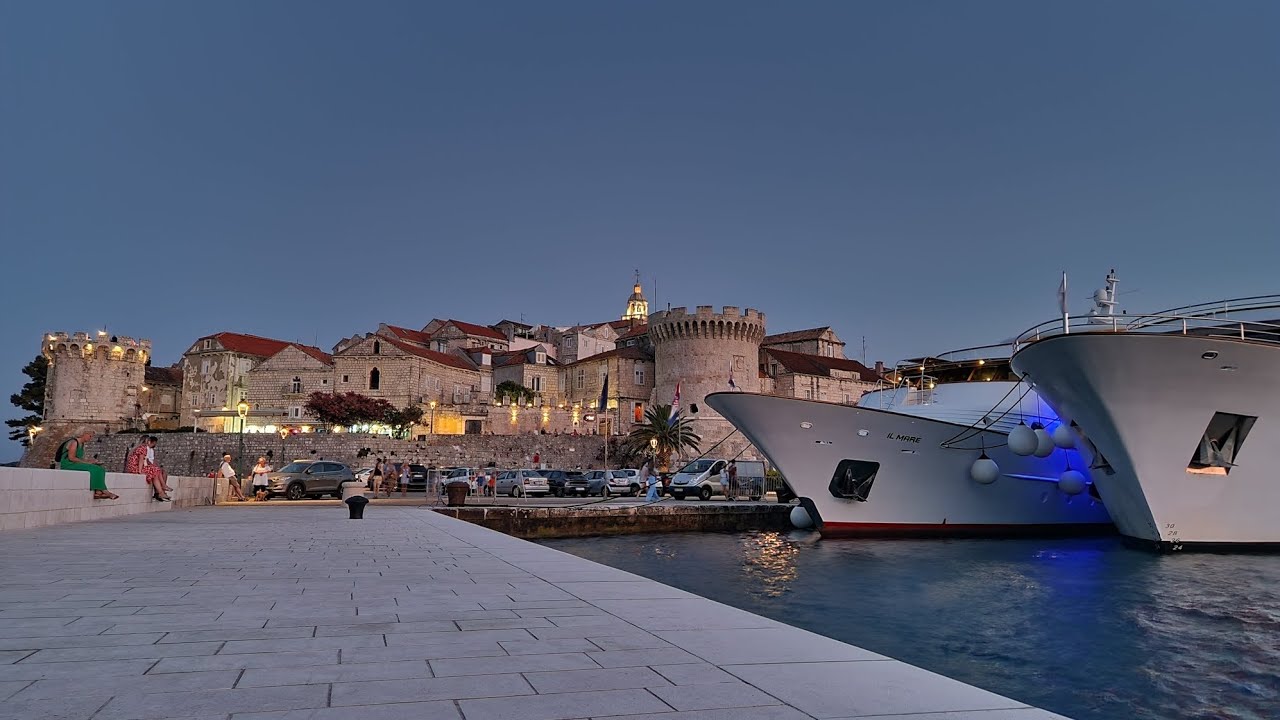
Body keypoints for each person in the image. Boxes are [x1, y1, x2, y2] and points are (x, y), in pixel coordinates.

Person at [57, 431, 118, 500]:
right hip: (68, 464)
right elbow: (71, 458)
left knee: (101, 469)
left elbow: (78, 458)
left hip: (75, 463)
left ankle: (98, 492)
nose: (90, 438)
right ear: (84, 434)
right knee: (96, 469)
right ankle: (105, 491)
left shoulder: (81, 444)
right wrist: (87, 462)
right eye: (90, 436)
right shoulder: (74, 442)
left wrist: (91, 461)